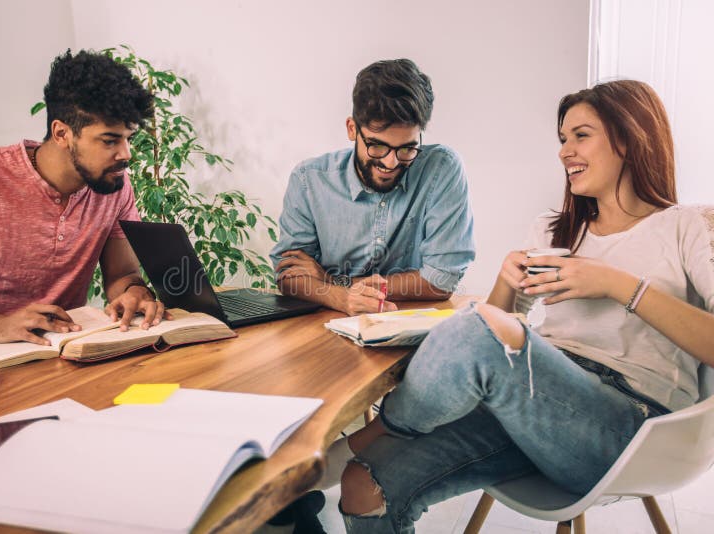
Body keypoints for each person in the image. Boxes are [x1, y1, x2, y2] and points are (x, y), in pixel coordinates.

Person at [334, 80, 714, 532]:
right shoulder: (553, 231)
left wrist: (619, 286)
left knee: (478, 326)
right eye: (562, 139)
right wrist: (505, 284)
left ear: (630, 138)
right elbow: (494, 341)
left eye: (581, 135)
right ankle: (377, 440)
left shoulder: (687, 226)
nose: (564, 151)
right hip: (536, 407)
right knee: (363, 482)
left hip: (633, 428)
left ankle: (379, 428)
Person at [0, 50, 166, 346]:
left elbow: (122, 274)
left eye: (129, 139)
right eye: (110, 140)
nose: (126, 155)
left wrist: (134, 293)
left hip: (61, 350)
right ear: (61, 133)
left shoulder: (113, 185)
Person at [270, 59, 475, 315]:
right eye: (377, 146)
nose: (391, 163)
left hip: (410, 327)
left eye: (407, 148)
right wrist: (343, 300)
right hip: (325, 329)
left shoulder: (442, 168)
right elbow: (289, 276)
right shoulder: (308, 180)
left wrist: (335, 283)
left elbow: (442, 280)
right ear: (352, 129)